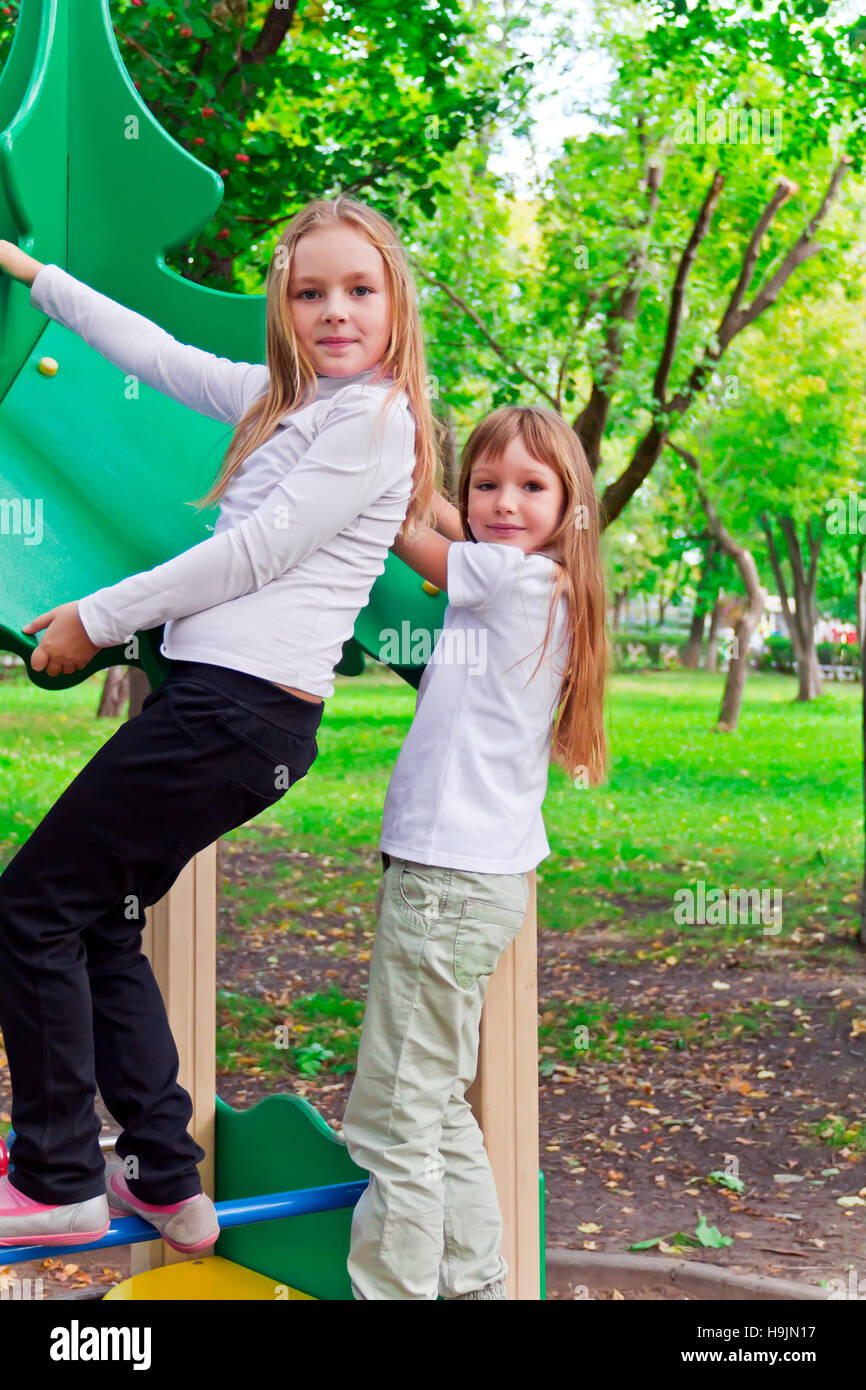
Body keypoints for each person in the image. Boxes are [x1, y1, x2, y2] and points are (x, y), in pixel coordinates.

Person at [0, 195, 439, 1252]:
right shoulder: (277, 406)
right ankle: (165, 1177)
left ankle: (58, 1174)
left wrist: (94, 620)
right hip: (232, 720)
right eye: (308, 292)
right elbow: (147, 351)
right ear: (283, 310)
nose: (334, 310)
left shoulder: (376, 422)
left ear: (395, 306)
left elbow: (254, 553)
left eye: (358, 289)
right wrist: (25, 270)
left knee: (28, 910)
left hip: (234, 714)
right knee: (96, 914)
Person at [341, 404, 609, 1299]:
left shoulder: (504, 581)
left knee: (391, 1122)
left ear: (571, 504)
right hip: (479, 881)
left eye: (531, 487)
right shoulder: (546, 582)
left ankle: (401, 1291)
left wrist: (360, 464)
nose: (501, 503)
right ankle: (479, 1286)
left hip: (444, 882)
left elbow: (409, 535)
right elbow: (466, 535)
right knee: (437, 1104)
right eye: (486, 484)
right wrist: (459, 503)